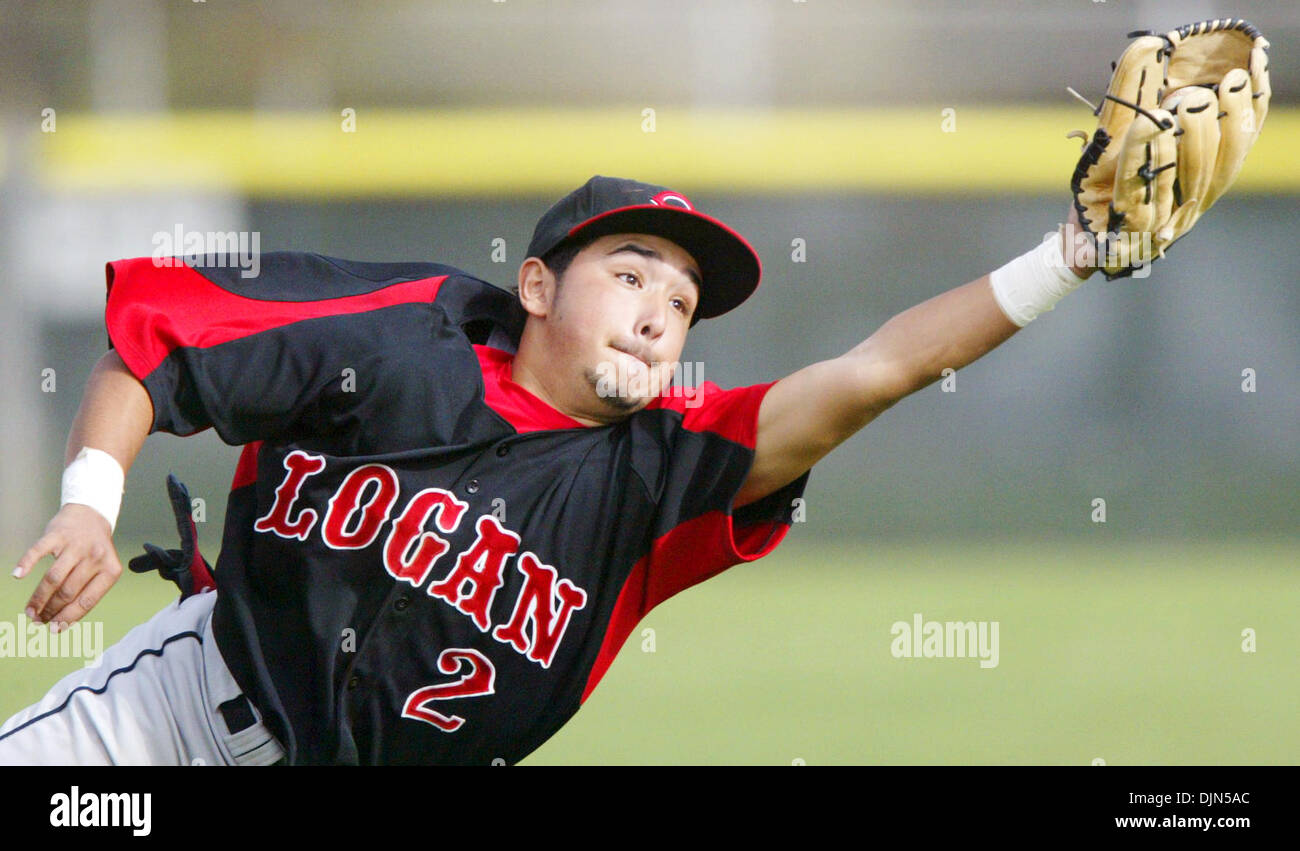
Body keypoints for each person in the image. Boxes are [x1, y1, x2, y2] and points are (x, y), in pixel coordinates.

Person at [2, 174, 1093, 765]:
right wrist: (91, 504)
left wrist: (1068, 257)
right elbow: (161, 340)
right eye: (630, 275)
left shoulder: (665, 472)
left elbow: (881, 367)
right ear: (535, 285)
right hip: (171, 724)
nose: (657, 314)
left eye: (680, 304)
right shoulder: (400, 333)